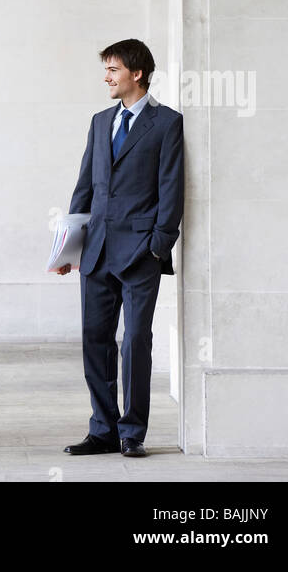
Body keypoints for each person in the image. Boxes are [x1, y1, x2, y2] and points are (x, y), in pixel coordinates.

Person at [59, 39, 183, 458]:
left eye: (113, 69)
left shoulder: (167, 123)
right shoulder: (99, 121)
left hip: (140, 253)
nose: (106, 77)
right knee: (95, 338)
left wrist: (158, 246)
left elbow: (171, 188)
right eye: (106, 69)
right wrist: (68, 250)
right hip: (95, 251)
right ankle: (103, 429)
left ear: (137, 73)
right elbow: (84, 188)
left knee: (135, 342)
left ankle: (132, 433)